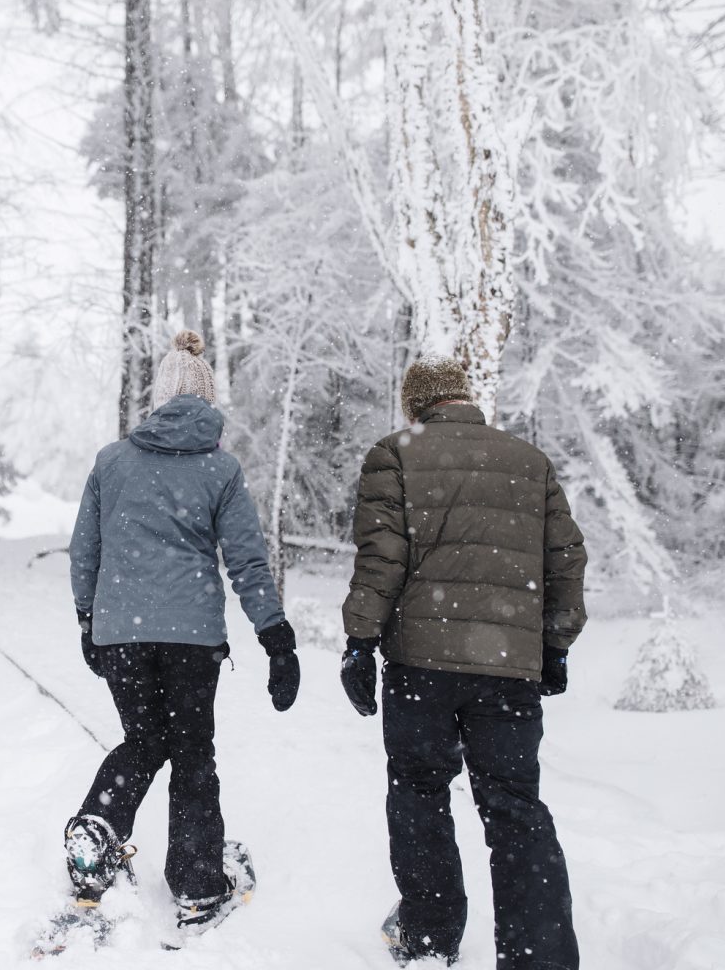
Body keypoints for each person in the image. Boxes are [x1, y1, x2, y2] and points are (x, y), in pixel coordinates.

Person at [338, 355, 587, 970]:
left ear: (413, 403)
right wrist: (553, 645)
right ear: (466, 398)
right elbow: (567, 561)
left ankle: (429, 935)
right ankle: (539, 957)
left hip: (420, 664)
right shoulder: (530, 462)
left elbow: (381, 559)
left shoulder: (393, 454)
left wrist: (360, 643)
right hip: (506, 668)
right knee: (514, 805)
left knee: (419, 790)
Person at [63, 329, 299, 938]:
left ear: (158, 398)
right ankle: (197, 883)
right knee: (192, 751)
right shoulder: (220, 468)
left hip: (121, 633)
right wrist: (275, 636)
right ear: (207, 399)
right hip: (191, 637)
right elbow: (246, 560)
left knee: (143, 739)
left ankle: (98, 828)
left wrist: (90, 619)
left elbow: (84, 550)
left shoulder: (111, 461)